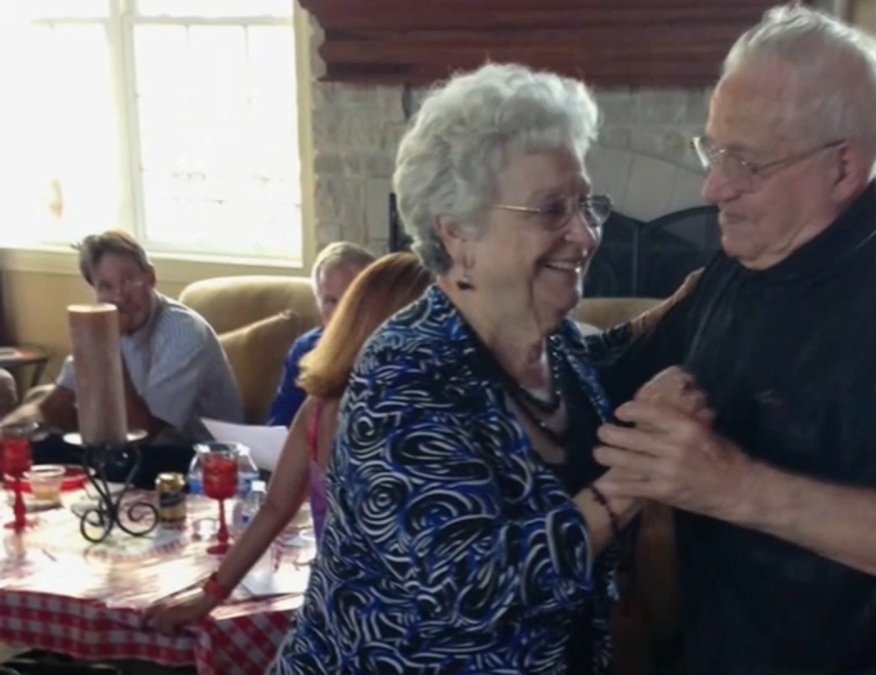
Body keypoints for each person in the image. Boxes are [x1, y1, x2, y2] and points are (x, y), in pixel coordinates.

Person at [591, 5, 876, 674]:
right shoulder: (736, 265)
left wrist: (731, 485)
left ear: (843, 168)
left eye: (746, 162)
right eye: (714, 148)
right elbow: (614, 369)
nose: (713, 185)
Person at [271, 63, 692, 674]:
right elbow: (474, 591)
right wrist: (633, 480)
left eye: (587, 205)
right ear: (459, 233)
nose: (585, 235)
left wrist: (682, 308)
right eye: (552, 211)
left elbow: (593, 367)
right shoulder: (404, 376)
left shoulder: (555, 341)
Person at [142, 252, 432, 634]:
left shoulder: (319, 407)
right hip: (402, 624)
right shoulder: (427, 419)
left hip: (333, 614)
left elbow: (276, 506)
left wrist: (213, 591)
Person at [2, 230, 242, 442]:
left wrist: (110, 347)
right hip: (138, 456)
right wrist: (13, 428)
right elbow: (52, 406)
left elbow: (142, 433)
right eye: (105, 286)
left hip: (201, 461)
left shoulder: (184, 332)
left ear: (150, 277)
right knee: (41, 441)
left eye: (128, 280)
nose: (119, 296)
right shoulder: (99, 327)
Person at [266, 242, 376, 427]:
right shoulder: (306, 349)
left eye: (352, 299)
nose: (343, 312)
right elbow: (281, 424)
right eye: (331, 301)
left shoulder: (390, 349)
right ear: (318, 303)